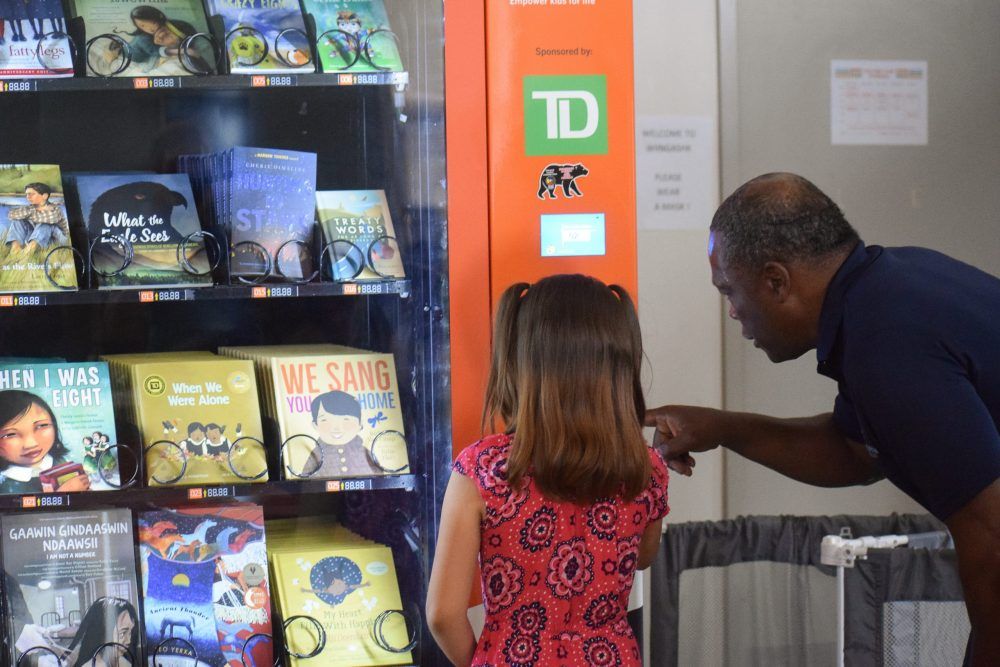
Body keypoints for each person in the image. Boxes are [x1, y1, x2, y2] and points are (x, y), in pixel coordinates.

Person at [647, 172, 1000, 665]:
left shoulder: (887, 344)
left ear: (776, 281)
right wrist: (720, 426)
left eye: (730, 290)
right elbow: (856, 454)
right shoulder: (888, 289)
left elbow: (991, 540)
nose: (732, 313)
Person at [427, 274, 670, 666]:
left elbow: (442, 614)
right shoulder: (648, 469)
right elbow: (643, 557)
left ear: (520, 361)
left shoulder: (483, 469)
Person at [0, 390, 90, 494]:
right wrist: (63, 493)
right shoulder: (6, 487)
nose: (31, 444)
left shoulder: (58, 461)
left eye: (41, 426)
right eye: (11, 434)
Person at [305, 390, 380, 478]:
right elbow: (307, 479)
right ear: (315, 425)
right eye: (325, 420)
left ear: (360, 424)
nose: (336, 428)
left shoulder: (364, 452)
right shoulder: (316, 454)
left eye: (346, 420)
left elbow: (379, 476)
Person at [62, 597, 139, 667]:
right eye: (122, 633)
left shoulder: (121, 662)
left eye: (130, 633)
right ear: (103, 633)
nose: (129, 641)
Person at [5, 183, 71, 253]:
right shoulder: (30, 208)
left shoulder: (55, 208)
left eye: (32, 194)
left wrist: (28, 214)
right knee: (17, 221)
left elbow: (50, 219)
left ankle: (28, 252)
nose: (28, 197)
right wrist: (33, 212)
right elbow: (11, 214)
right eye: (27, 194)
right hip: (39, 238)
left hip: (56, 240)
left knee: (44, 224)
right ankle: (15, 250)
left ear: (44, 196)